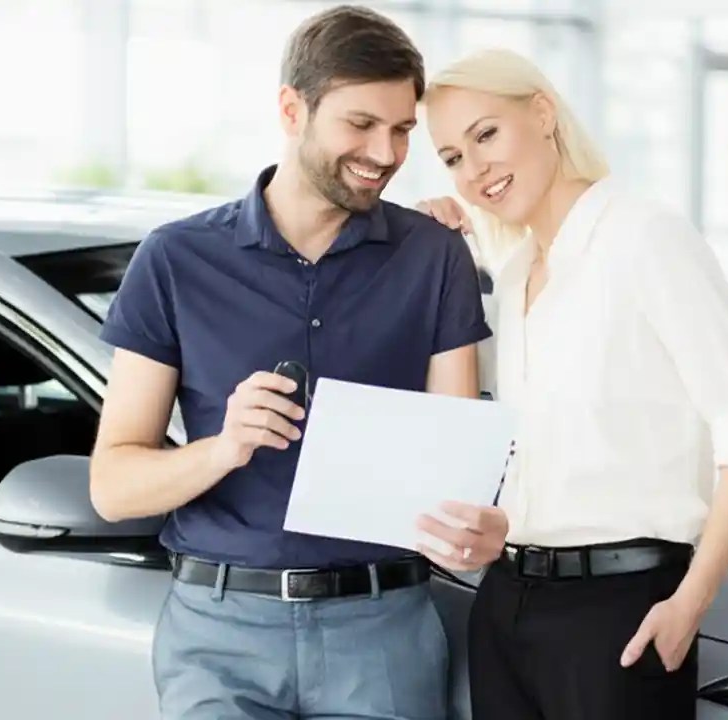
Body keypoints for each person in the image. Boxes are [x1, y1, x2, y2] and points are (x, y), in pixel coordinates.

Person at [88, 6, 508, 719]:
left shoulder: (432, 257)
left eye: (403, 128)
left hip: (383, 634)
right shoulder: (176, 259)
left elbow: (456, 475)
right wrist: (224, 447)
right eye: (360, 123)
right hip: (219, 633)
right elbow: (113, 485)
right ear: (292, 108)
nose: (386, 152)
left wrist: (474, 529)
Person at [415, 48, 728, 719]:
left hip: (618, 614)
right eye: (451, 157)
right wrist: (437, 250)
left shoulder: (646, 236)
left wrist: (690, 602)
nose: (474, 170)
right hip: (504, 604)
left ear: (542, 112)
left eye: (486, 135)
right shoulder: (511, 274)